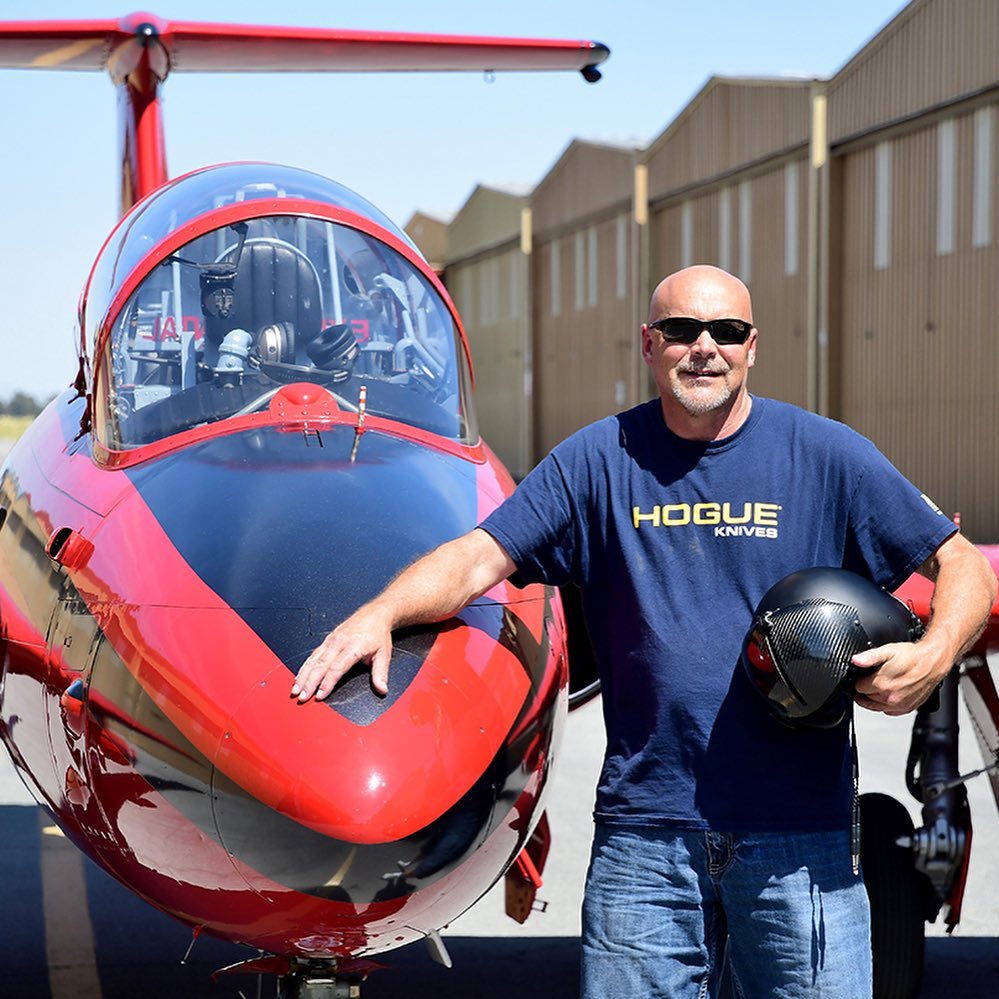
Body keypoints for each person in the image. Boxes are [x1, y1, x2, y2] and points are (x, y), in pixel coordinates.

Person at [291, 264, 996, 997]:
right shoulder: (597, 460)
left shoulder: (825, 455)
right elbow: (479, 556)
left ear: (751, 346)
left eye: (726, 331)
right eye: (681, 330)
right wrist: (382, 610)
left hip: (798, 841)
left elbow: (962, 565)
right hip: (647, 844)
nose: (704, 347)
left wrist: (934, 653)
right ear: (648, 343)